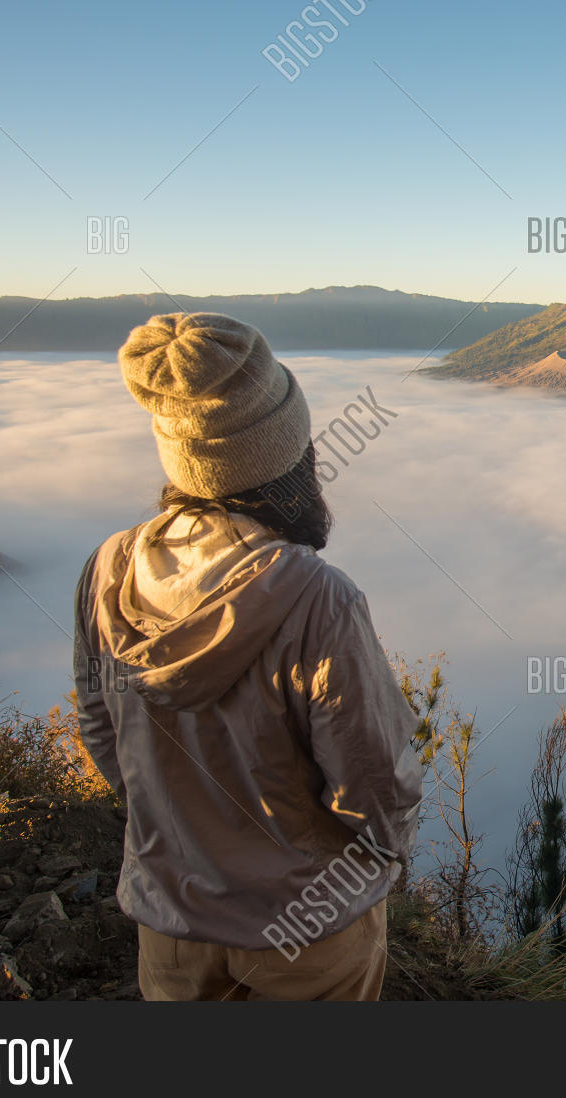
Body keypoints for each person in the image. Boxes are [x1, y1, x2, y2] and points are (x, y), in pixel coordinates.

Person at [72, 312, 421, 1001]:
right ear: (286, 457)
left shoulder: (108, 569)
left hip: (171, 923)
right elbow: (374, 779)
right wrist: (383, 862)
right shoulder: (319, 600)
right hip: (310, 935)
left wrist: (179, 836)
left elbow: (101, 732)